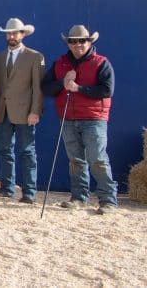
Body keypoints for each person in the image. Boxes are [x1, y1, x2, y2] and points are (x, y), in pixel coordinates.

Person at [42, 25, 117, 215]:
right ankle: (78, 197)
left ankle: (108, 200)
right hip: (67, 118)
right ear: (68, 43)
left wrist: (79, 88)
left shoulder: (101, 63)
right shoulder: (60, 64)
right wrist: (63, 82)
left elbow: (107, 90)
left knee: (98, 159)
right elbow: (46, 88)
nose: (77, 45)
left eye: (81, 41)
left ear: (89, 41)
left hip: (93, 118)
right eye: (73, 41)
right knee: (75, 160)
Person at [0, 18, 44, 204]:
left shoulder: (35, 56)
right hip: (2, 111)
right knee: (5, 150)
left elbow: (38, 87)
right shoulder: (0, 57)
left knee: (27, 151)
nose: (11, 36)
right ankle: (7, 188)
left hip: (25, 112)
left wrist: (35, 111)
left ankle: (29, 191)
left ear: (23, 34)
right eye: (9, 33)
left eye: (15, 33)